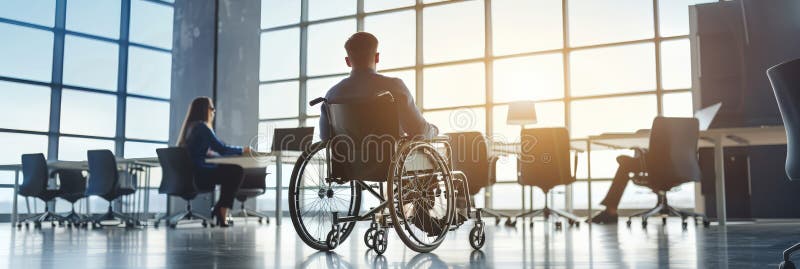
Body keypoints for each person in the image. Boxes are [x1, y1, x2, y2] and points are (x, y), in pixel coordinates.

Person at [318, 32, 438, 141]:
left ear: (348, 61)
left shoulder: (332, 95)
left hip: (344, 162)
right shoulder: (394, 87)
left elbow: (325, 138)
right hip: (389, 162)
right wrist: (433, 130)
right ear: (377, 57)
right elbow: (419, 131)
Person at [176, 97, 253, 227]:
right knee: (236, 171)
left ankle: (220, 208)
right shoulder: (202, 126)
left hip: (190, 175)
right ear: (203, 110)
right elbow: (221, 148)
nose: (213, 111)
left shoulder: (189, 127)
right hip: (199, 175)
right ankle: (221, 209)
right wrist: (243, 149)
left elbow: (197, 150)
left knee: (229, 170)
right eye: (211, 108)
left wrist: (208, 152)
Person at [586, 150, 646, 224]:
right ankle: (611, 210)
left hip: (657, 166)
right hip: (661, 167)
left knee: (624, 164)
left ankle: (611, 211)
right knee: (624, 163)